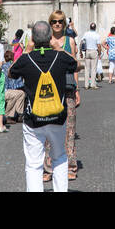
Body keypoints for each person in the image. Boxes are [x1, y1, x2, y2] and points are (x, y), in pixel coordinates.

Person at [9, 19, 79, 191]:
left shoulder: (26, 59)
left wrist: (26, 50)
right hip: (57, 116)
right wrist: (59, 48)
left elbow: (11, 72)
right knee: (60, 156)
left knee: (33, 163)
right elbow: (77, 65)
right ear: (50, 38)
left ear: (32, 38)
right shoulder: (60, 57)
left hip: (33, 118)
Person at [42, 10, 81, 181]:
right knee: (48, 127)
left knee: (70, 127)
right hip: (50, 89)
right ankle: (48, 167)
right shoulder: (45, 41)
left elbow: (75, 64)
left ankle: (71, 165)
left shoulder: (70, 41)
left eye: (60, 21)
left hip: (67, 86)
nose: (57, 24)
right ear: (50, 24)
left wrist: (78, 88)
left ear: (64, 24)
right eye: (54, 22)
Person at [3, 48, 26, 122]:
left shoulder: (2, 67)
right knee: (21, 93)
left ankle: (17, 114)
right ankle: (19, 113)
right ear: (13, 57)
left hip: (6, 89)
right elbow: (19, 83)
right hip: (11, 89)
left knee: (19, 93)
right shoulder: (15, 66)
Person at [80, 22, 102, 88]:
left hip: (87, 51)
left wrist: (80, 52)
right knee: (93, 69)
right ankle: (93, 84)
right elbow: (98, 45)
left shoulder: (86, 34)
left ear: (90, 27)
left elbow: (81, 42)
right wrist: (100, 52)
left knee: (87, 69)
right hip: (94, 51)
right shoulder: (97, 35)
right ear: (95, 28)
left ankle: (86, 85)